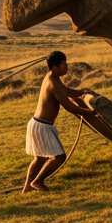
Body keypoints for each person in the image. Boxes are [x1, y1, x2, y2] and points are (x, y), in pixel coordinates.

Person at [23, 50, 98, 194]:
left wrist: (82, 92)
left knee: (40, 158)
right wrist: (91, 113)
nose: (67, 67)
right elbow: (69, 106)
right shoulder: (53, 81)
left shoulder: (53, 77)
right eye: (64, 64)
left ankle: (27, 188)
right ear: (55, 66)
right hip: (42, 126)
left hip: (37, 124)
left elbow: (67, 91)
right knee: (59, 157)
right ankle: (37, 181)